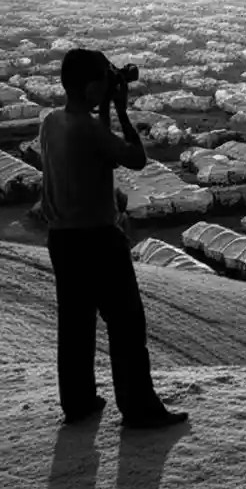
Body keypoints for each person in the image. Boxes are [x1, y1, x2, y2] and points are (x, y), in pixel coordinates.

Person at [39, 48, 188, 429]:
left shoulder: (52, 122)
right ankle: (139, 408)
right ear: (92, 88)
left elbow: (99, 151)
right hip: (98, 239)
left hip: (62, 239)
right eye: (104, 81)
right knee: (126, 325)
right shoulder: (87, 129)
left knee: (76, 324)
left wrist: (103, 107)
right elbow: (136, 158)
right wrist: (121, 110)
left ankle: (78, 402)